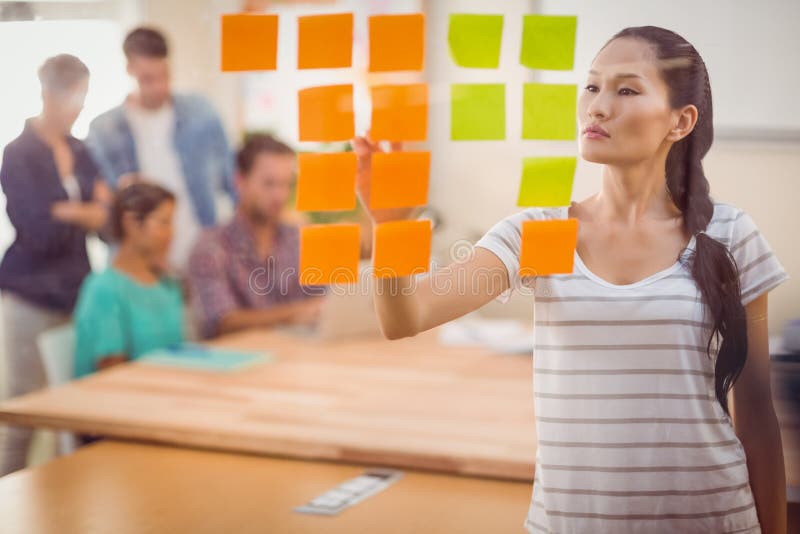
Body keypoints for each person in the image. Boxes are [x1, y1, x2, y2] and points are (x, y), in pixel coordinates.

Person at [353, 27, 788, 534]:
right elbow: (406, 318)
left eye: (626, 89)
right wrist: (389, 227)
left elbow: (756, 413)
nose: (597, 107)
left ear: (680, 120)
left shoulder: (731, 235)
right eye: (591, 87)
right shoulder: (538, 233)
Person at [0, 54, 110, 476]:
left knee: (75, 402)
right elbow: (36, 229)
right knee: (23, 404)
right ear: (48, 93)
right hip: (29, 292)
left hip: (75, 290)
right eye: (72, 95)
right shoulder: (18, 153)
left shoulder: (82, 150)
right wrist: (82, 211)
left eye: (83, 95)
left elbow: (104, 217)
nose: (79, 105)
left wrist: (65, 210)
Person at [85, 26, 235, 271]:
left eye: (164, 76)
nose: (158, 87)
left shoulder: (201, 112)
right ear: (129, 69)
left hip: (202, 257)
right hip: (142, 266)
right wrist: (120, 195)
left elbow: (233, 180)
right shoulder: (104, 130)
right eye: (147, 79)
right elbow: (103, 209)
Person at [186, 134, 323, 339]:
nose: (280, 195)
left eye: (286, 184)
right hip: (240, 365)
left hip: (300, 358)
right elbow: (222, 322)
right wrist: (295, 314)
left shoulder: (298, 238)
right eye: (269, 184)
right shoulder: (211, 247)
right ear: (240, 181)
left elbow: (326, 302)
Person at [73, 182, 184, 378]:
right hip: (120, 399)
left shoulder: (167, 284)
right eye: (164, 223)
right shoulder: (104, 289)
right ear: (131, 223)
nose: (172, 233)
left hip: (167, 396)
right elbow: (113, 372)